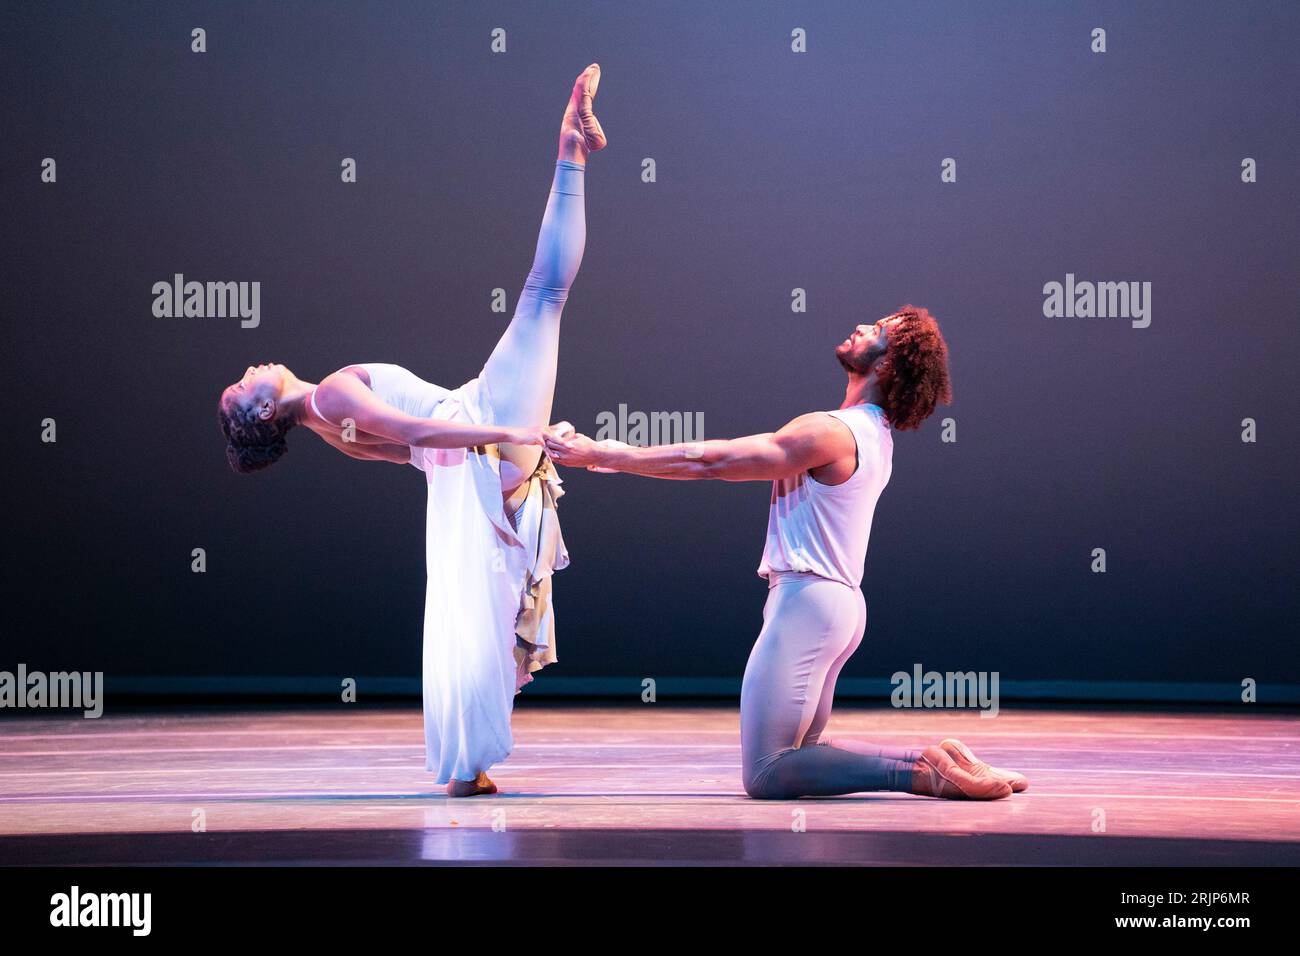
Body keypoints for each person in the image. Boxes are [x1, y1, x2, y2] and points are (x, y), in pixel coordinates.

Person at [217, 64, 607, 796]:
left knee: (546, 298)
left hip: (477, 458)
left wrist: (494, 444)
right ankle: (570, 150)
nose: (252, 366)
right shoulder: (331, 393)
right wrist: (502, 429)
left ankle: (473, 766)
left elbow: (408, 454)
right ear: (264, 411)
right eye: (245, 385)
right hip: (477, 431)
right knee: (544, 293)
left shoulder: (329, 422)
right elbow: (416, 436)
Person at [544, 307, 1028, 800]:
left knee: (767, 771)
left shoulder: (834, 431)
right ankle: (936, 759)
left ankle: (920, 775)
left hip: (810, 603)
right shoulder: (872, 434)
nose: (862, 324)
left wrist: (605, 454)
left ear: (885, 366)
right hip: (829, 605)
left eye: (878, 330)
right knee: (805, 749)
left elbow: (715, 461)